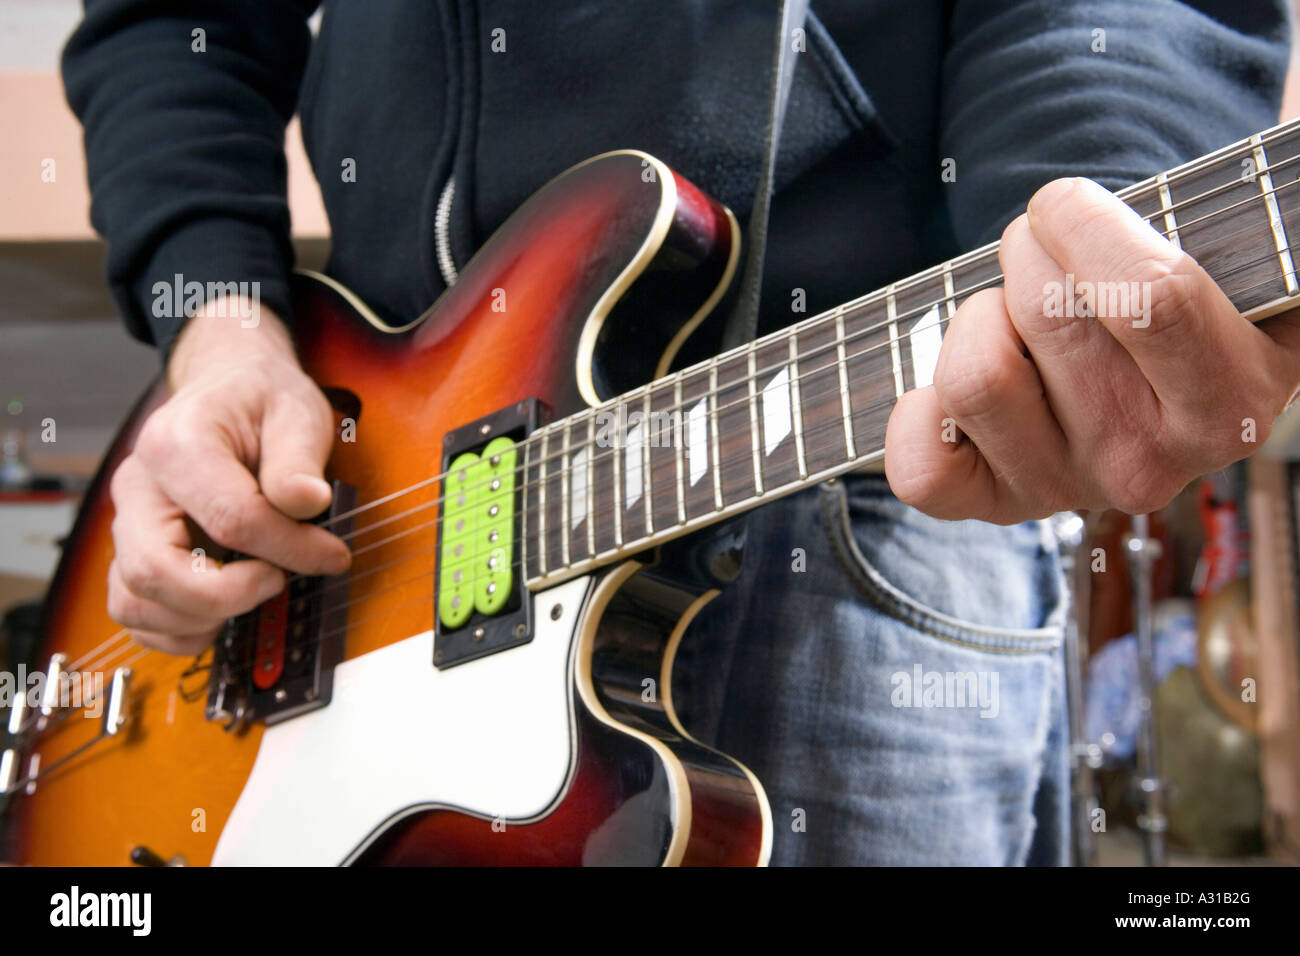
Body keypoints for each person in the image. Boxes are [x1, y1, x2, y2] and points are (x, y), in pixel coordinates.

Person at [62, 1, 1298, 865]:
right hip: (363, 494)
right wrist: (217, 323)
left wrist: (1081, 226)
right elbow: (172, 18)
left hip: (860, 492)